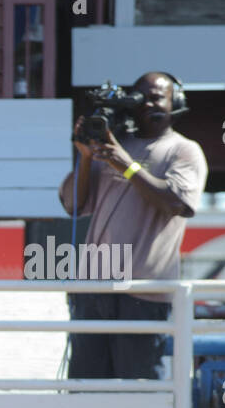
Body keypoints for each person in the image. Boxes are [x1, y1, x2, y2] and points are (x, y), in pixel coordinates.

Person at [59, 71, 208, 379]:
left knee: (139, 393)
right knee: (85, 393)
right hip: (93, 292)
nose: (150, 102)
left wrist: (124, 164)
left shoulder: (184, 150)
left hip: (143, 294)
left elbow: (176, 202)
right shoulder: (114, 146)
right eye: (143, 96)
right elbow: (73, 205)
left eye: (159, 96)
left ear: (175, 102)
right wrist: (86, 157)